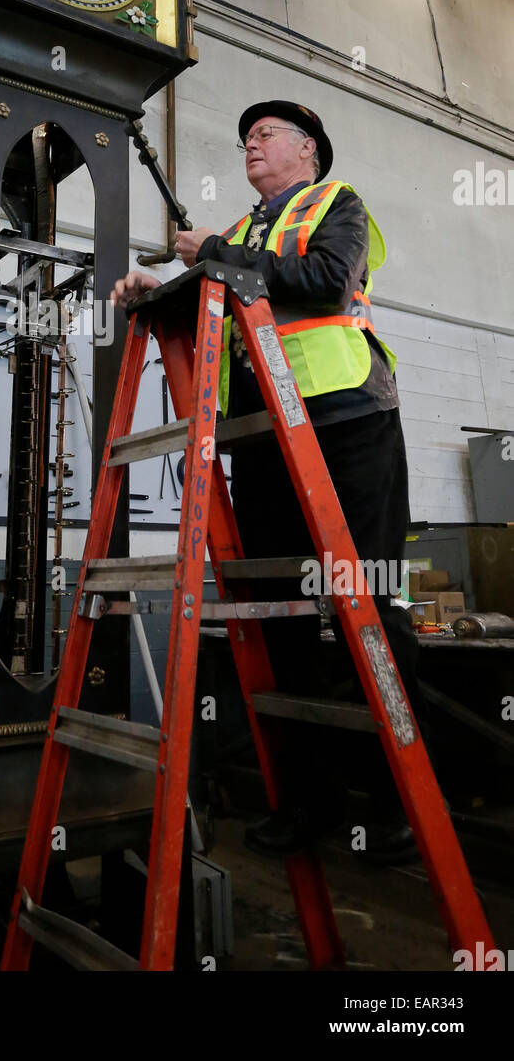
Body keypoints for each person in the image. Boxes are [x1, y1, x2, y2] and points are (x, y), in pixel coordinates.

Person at [111, 100, 424, 864]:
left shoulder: (334, 204)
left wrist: (214, 251)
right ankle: (308, 803)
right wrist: (155, 294)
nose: (251, 143)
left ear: (308, 151)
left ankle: (398, 807)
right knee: (281, 615)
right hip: (262, 431)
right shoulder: (246, 235)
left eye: (267, 135)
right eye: (247, 135)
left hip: (347, 421)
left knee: (368, 601)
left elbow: (320, 282)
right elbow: (218, 312)